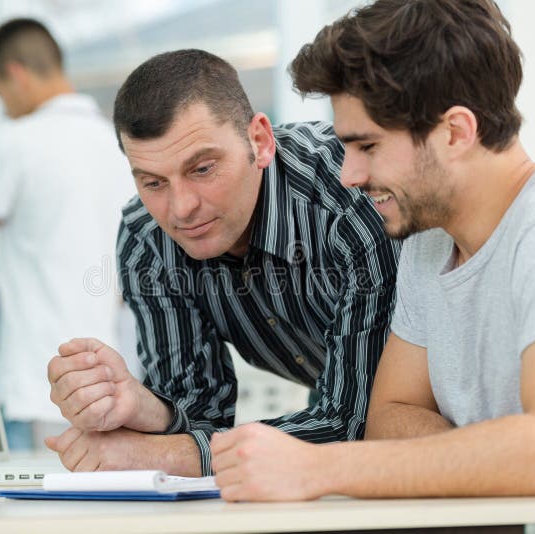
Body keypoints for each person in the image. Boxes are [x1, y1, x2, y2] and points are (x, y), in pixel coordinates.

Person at [209, 0, 535, 530]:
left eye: (367, 145)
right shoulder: (430, 240)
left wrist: (319, 467)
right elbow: (389, 417)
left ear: (456, 132)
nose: (350, 175)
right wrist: (510, 462)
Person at [44, 49, 400, 476]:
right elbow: (201, 411)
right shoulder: (148, 241)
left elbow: (357, 422)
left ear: (260, 141)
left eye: (202, 169)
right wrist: (144, 408)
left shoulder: (349, 200)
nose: (180, 209)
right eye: (153, 182)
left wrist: (152, 455)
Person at [0, 18, 136, 450]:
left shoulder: (14, 142)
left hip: (35, 384)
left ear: (15, 74)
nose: (3, 107)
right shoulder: (119, 143)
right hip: (114, 384)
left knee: (18, 512)